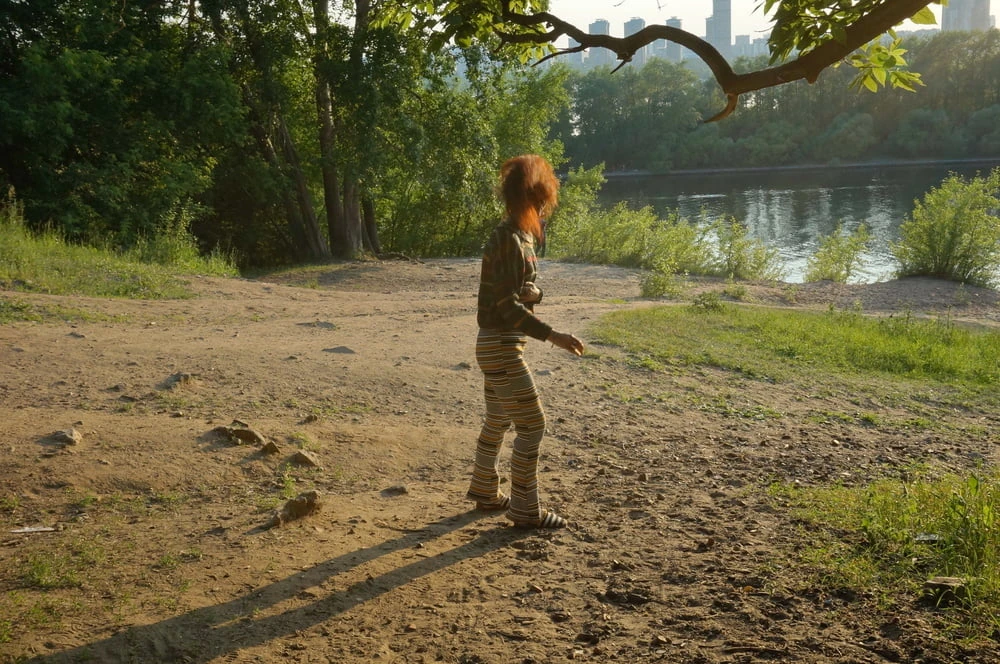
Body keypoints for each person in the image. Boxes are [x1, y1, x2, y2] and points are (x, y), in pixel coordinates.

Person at [466, 154, 585, 529]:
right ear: (535, 194)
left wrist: (534, 294)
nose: (546, 203)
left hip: (497, 343)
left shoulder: (518, 234)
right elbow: (507, 305)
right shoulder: (510, 237)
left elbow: (514, 293)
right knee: (533, 426)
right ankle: (525, 511)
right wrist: (555, 336)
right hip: (501, 345)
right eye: (543, 196)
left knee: (499, 421)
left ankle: (485, 491)